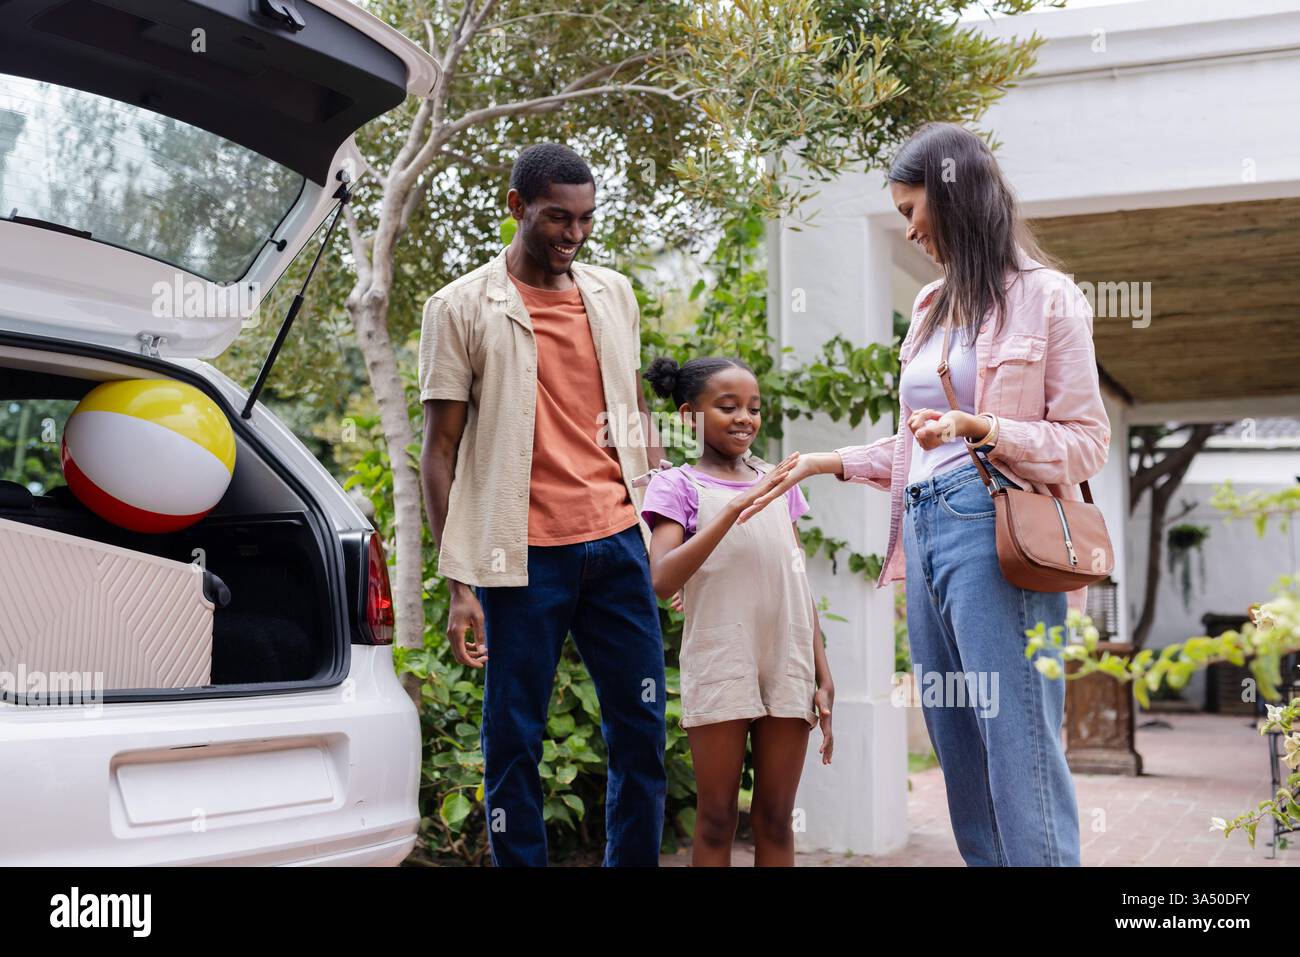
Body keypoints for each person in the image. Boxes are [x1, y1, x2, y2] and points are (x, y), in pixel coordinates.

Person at [743, 122, 1111, 866]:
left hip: (995, 531)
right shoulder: (932, 306)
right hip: (924, 527)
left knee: (1016, 739)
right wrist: (830, 459)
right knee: (959, 745)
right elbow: (922, 444)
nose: (908, 229)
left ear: (954, 197)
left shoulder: (1049, 298)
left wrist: (988, 426)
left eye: (913, 210)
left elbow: (1085, 440)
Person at [418, 143, 671, 867]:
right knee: (513, 739)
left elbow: (633, 412)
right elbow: (439, 449)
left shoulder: (613, 293)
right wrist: (458, 582)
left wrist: (660, 528)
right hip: (518, 556)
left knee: (642, 727)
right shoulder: (460, 307)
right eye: (558, 218)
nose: (573, 234)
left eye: (586, 219)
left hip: (619, 543)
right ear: (517, 207)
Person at [640, 355, 834, 867]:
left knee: (775, 817)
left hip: (787, 660)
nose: (745, 417)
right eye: (727, 407)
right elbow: (661, 580)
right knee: (718, 818)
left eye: (753, 407)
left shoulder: (778, 480)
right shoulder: (676, 484)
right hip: (721, 656)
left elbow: (796, 574)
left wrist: (823, 669)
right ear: (689, 416)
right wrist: (729, 510)